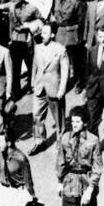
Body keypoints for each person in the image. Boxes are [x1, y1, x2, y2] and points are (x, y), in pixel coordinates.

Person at [30, 19, 69, 153]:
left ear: (52, 35)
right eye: (42, 32)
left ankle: (61, 140)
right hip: (39, 87)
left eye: (45, 33)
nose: (42, 35)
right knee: (36, 115)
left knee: (58, 118)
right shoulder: (38, 48)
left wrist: (62, 89)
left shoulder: (60, 49)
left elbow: (65, 71)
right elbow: (34, 66)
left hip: (54, 88)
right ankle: (39, 140)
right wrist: (32, 83)